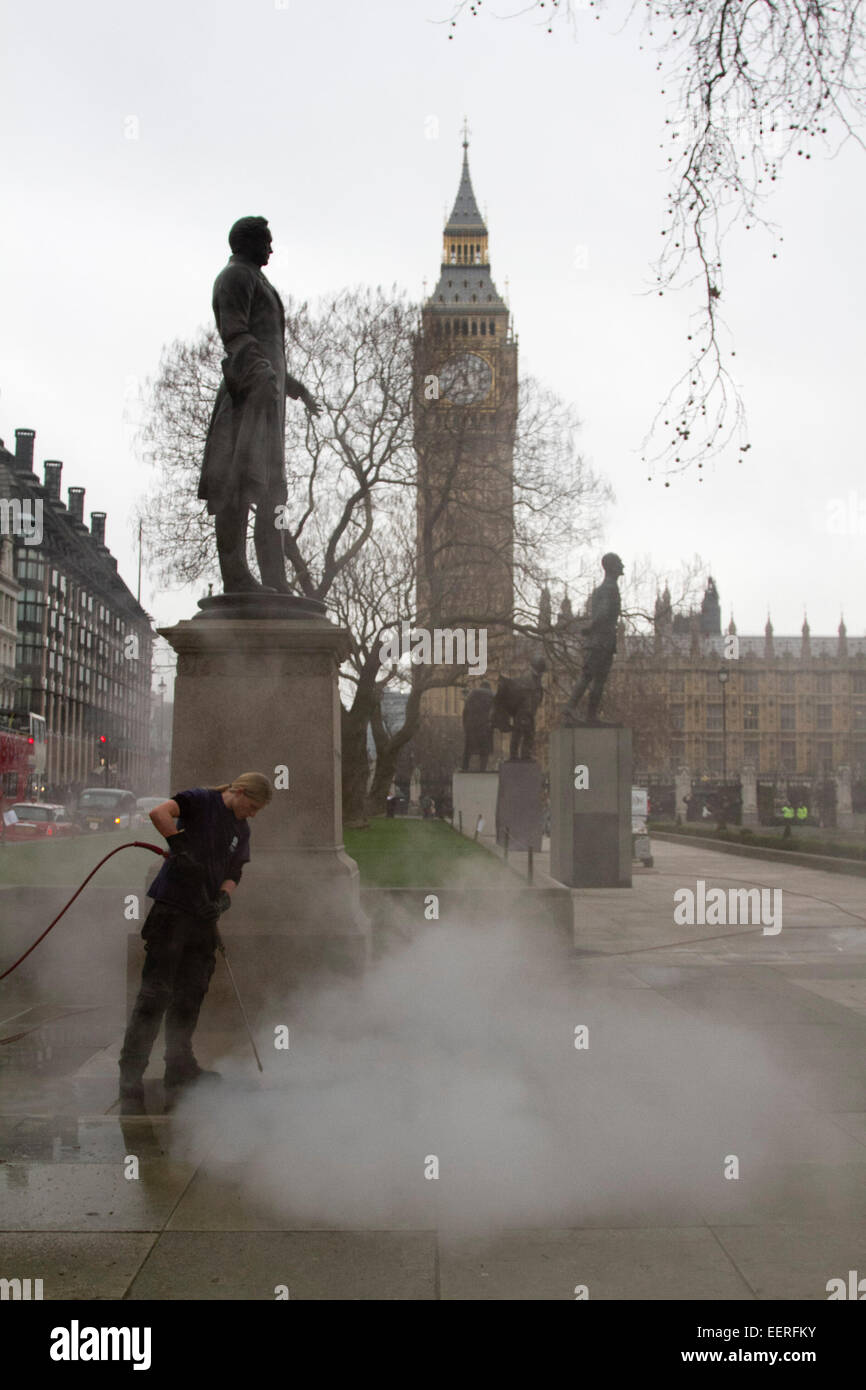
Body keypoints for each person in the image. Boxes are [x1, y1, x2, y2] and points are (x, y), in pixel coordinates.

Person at [118, 772, 272, 1115]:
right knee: (155, 993)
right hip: (173, 910)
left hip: (203, 918)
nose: (253, 814)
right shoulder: (200, 800)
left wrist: (222, 899)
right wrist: (179, 844)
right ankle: (130, 1074)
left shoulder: (240, 829)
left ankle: (179, 1066)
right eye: (253, 806)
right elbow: (159, 813)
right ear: (240, 791)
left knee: (192, 992)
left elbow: (235, 872)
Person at [199, 216, 320, 594]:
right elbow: (235, 334)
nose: (272, 248)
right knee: (235, 485)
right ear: (247, 242)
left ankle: (275, 580)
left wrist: (292, 386)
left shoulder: (256, 278)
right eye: (266, 241)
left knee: (273, 494)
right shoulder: (235, 277)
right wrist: (264, 375)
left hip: (267, 401)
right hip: (245, 401)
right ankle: (236, 576)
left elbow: (268, 348)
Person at [562, 553, 624, 725]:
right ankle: (569, 708)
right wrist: (590, 627)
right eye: (619, 563)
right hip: (600, 641)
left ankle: (591, 716)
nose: (622, 566)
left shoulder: (607, 588)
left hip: (605, 641)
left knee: (599, 680)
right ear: (611, 567)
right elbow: (603, 613)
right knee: (589, 676)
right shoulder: (608, 589)